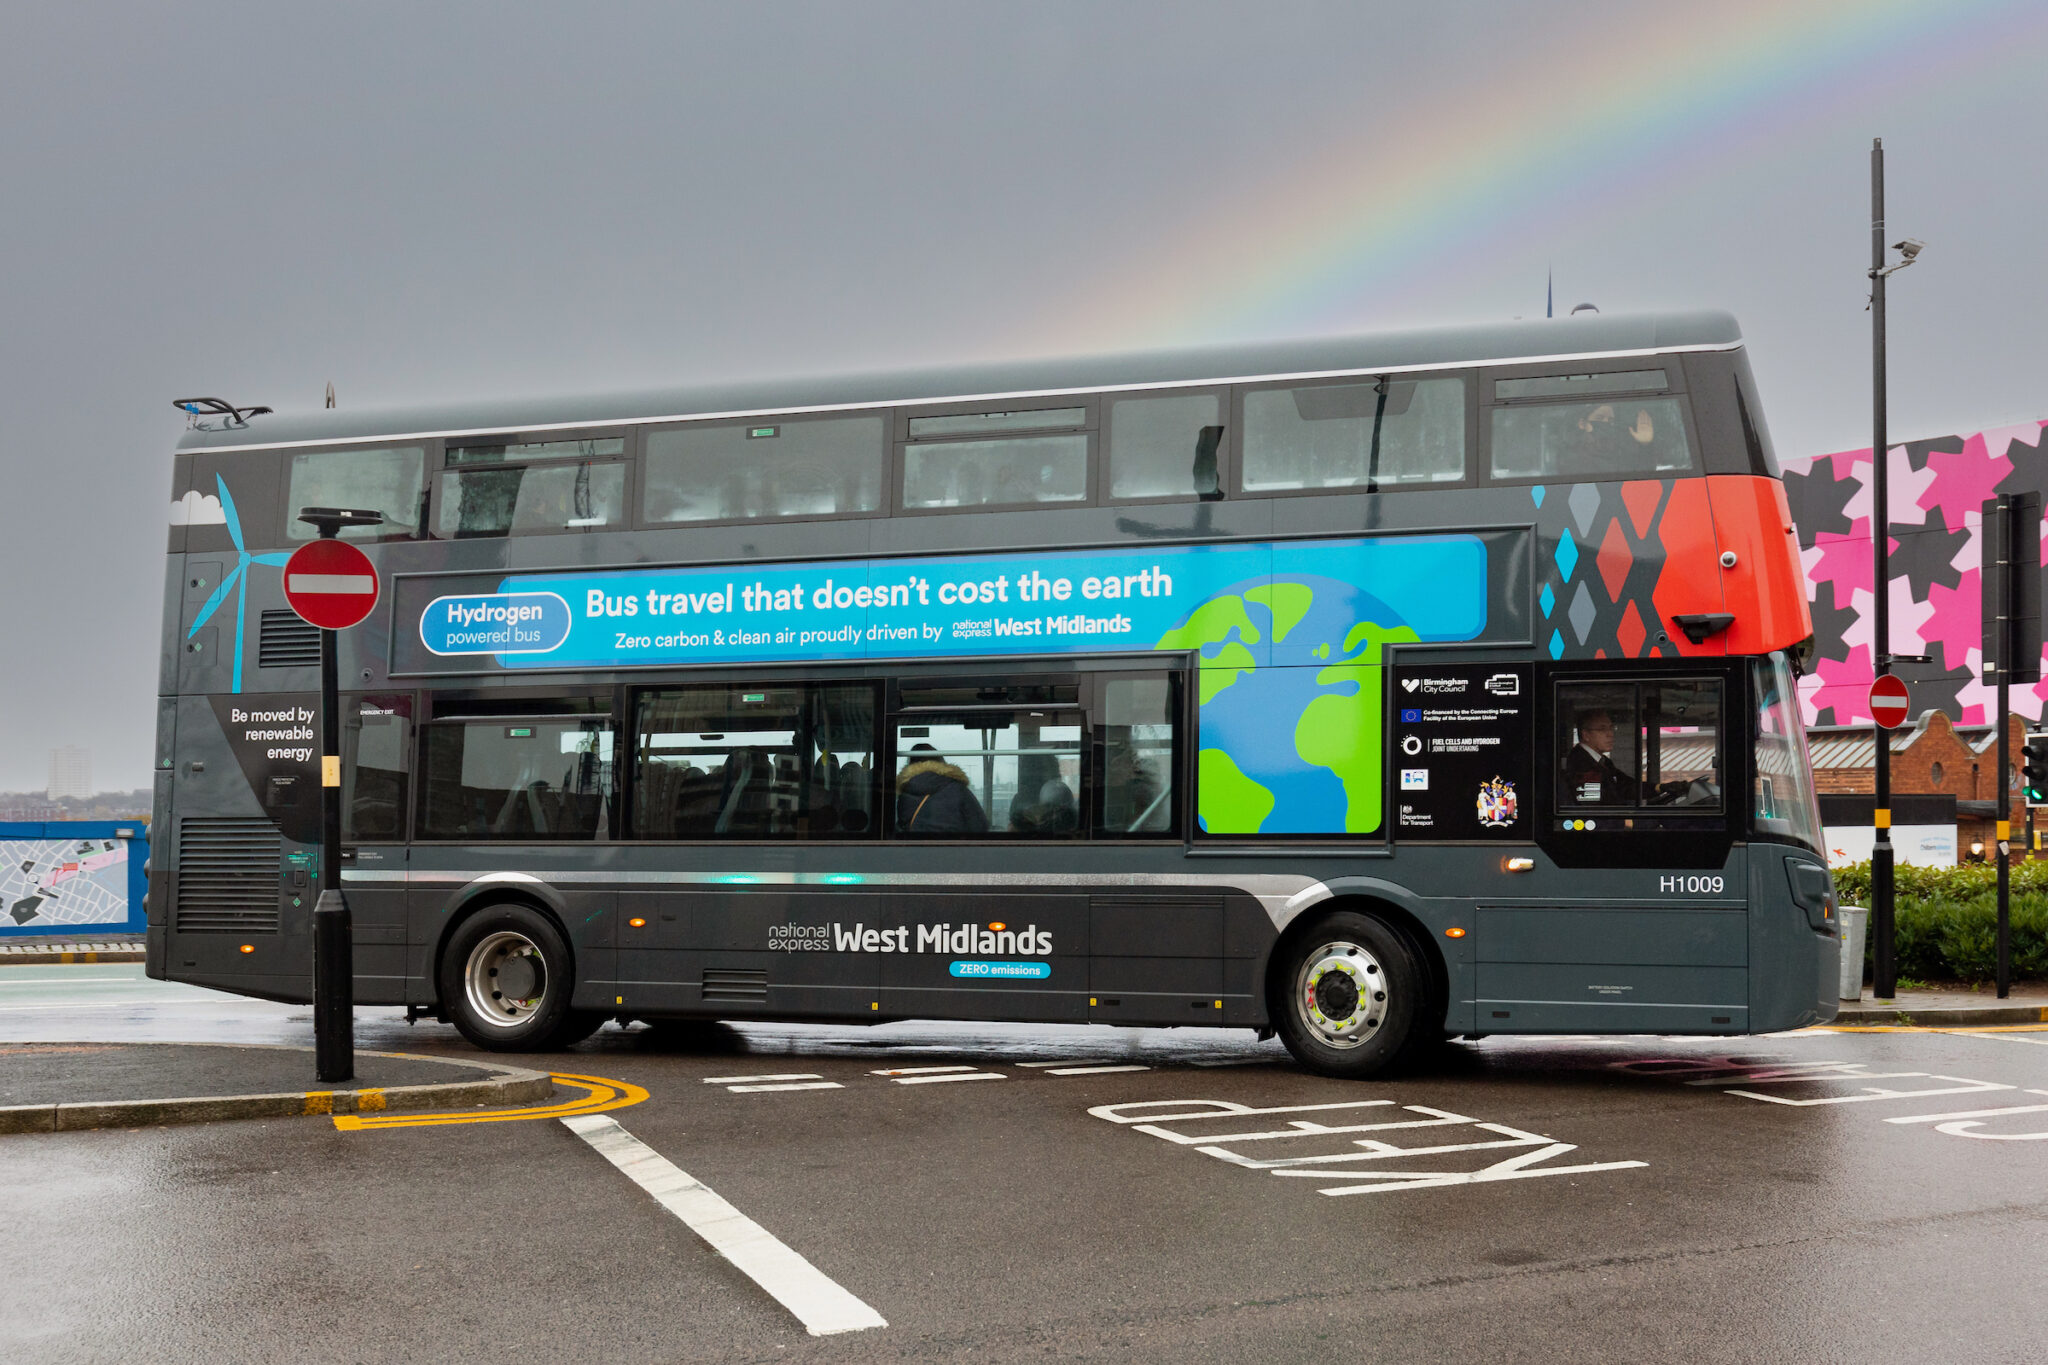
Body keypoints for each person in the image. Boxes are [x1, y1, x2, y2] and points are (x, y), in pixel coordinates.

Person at [896, 743, 989, 834]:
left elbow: (901, 828)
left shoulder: (904, 794)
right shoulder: (958, 789)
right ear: (941, 761)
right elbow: (980, 825)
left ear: (910, 764)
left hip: (915, 848)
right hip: (955, 847)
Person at [1561, 709, 1638, 805]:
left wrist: (1657, 788)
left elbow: (1626, 786)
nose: (1610, 734)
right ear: (1586, 735)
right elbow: (1592, 807)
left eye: (1611, 728)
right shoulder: (1581, 764)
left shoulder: (1603, 762)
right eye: (1602, 729)